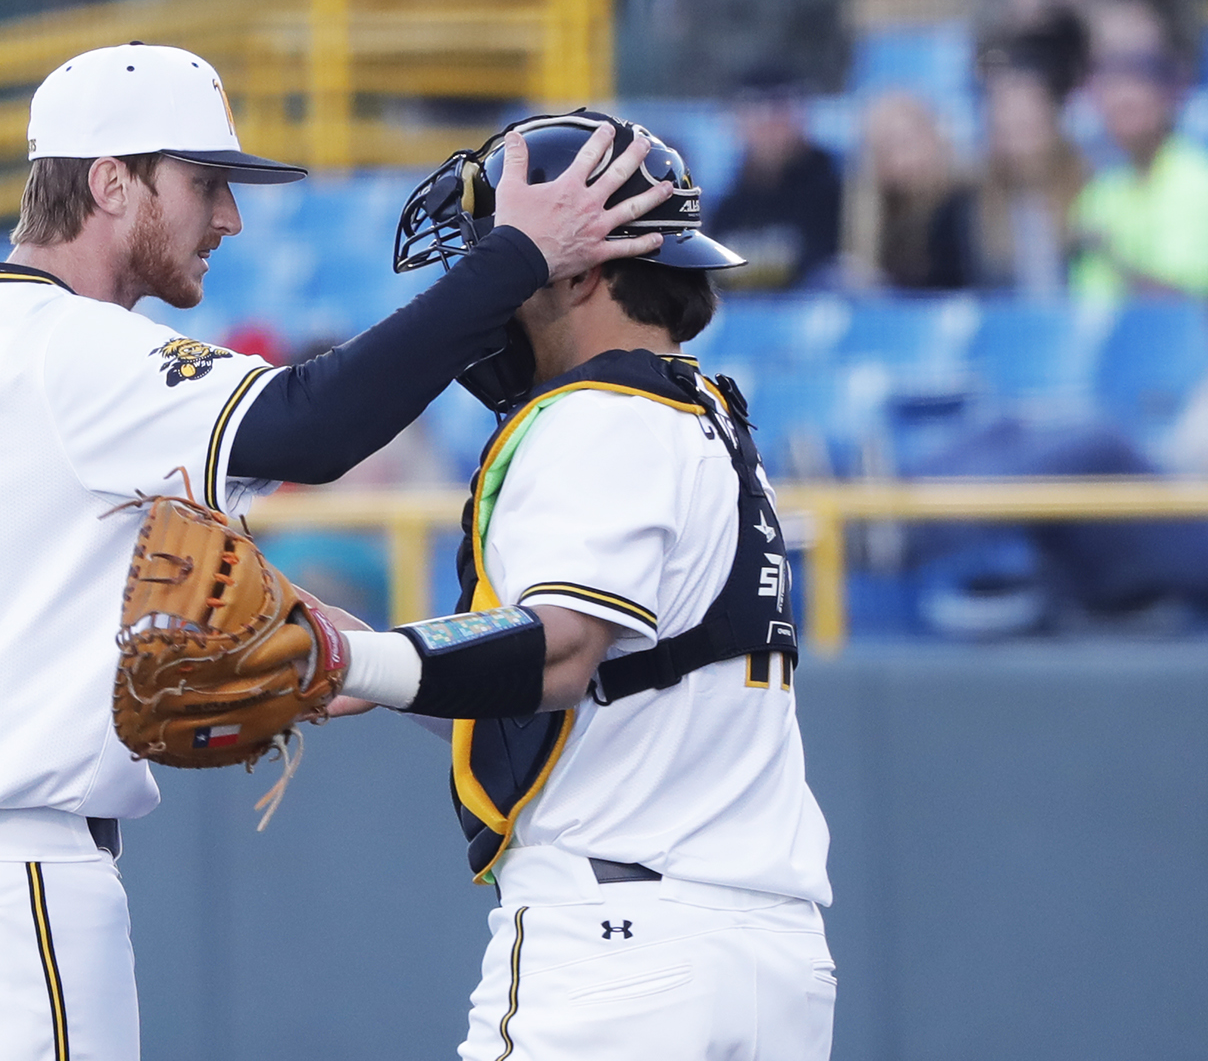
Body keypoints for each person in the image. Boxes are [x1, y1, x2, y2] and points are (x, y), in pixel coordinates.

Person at [0, 44, 673, 1061]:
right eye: (204, 182)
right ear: (111, 183)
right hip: (7, 896)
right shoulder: (75, 352)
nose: (230, 216)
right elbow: (318, 428)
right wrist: (517, 260)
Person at [326, 112, 835, 1061]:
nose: (480, 291)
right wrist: (379, 667)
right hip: (769, 961)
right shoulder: (701, 413)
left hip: (620, 952)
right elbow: (597, 689)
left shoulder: (598, 413)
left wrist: (349, 657)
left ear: (578, 271)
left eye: (502, 257)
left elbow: (560, 652)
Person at [1068, 47, 1208, 299]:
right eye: (1113, 111)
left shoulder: (1199, 181)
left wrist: (1113, 258)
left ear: (1164, 104)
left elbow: (1186, 300)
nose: (1121, 122)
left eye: (1131, 108)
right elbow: (1090, 295)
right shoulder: (1100, 191)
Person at [709, 65, 844, 290]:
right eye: (755, 114)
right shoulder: (729, 209)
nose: (769, 126)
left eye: (780, 112)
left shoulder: (841, 196)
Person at [976, 50, 1089, 293]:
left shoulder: (1091, 196)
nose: (1018, 147)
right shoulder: (973, 213)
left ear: (1053, 126)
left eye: (1027, 129)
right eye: (1006, 132)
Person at [849, 91, 977, 290]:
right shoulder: (872, 218)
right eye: (887, 147)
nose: (900, 158)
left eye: (907, 142)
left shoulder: (966, 205)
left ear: (933, 138)